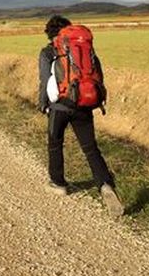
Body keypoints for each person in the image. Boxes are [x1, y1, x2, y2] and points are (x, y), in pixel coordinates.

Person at [37, 14, 124, 218]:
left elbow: (44, 80)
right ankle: (105, 184)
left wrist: (43, 104)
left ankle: (58, 183)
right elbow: (97, 74)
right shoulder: (84, 49)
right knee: (90, 148)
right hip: (83, 103)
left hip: (60, 106)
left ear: (49, 33)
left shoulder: (48, 51)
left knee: (55, 143)